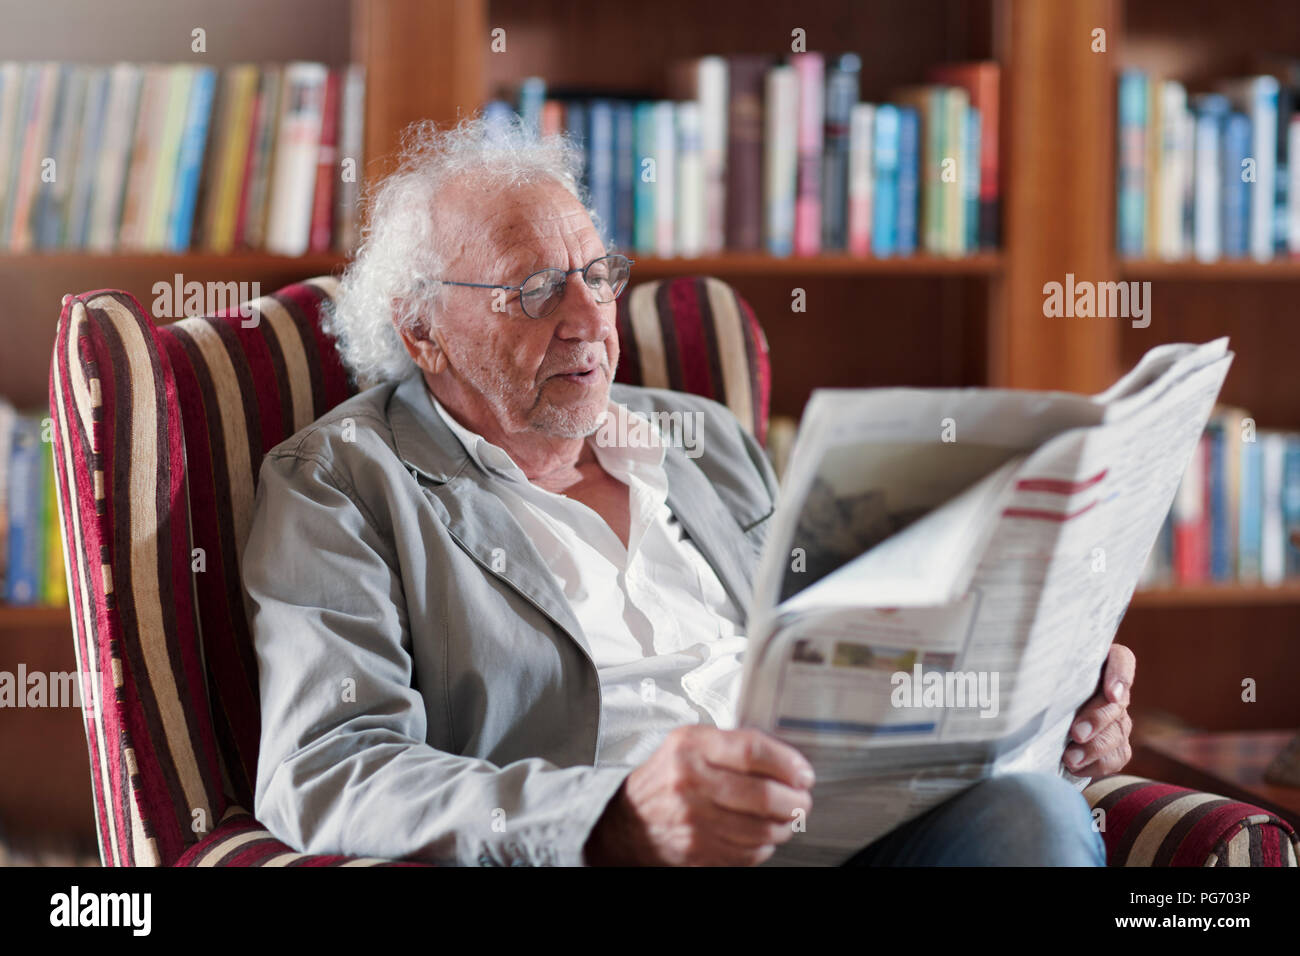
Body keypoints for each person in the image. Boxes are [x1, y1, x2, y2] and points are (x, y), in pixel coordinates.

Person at [243, 116, 1132, 867]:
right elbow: (329, 769)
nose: (591, 319)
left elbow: (850, 651)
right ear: (424, 330)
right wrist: (613, 816)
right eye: (536, 289)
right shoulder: (343, 483)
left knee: (1038, 815)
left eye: (597, 274)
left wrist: (1034, 700)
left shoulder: (705, 437)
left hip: (839, 826)